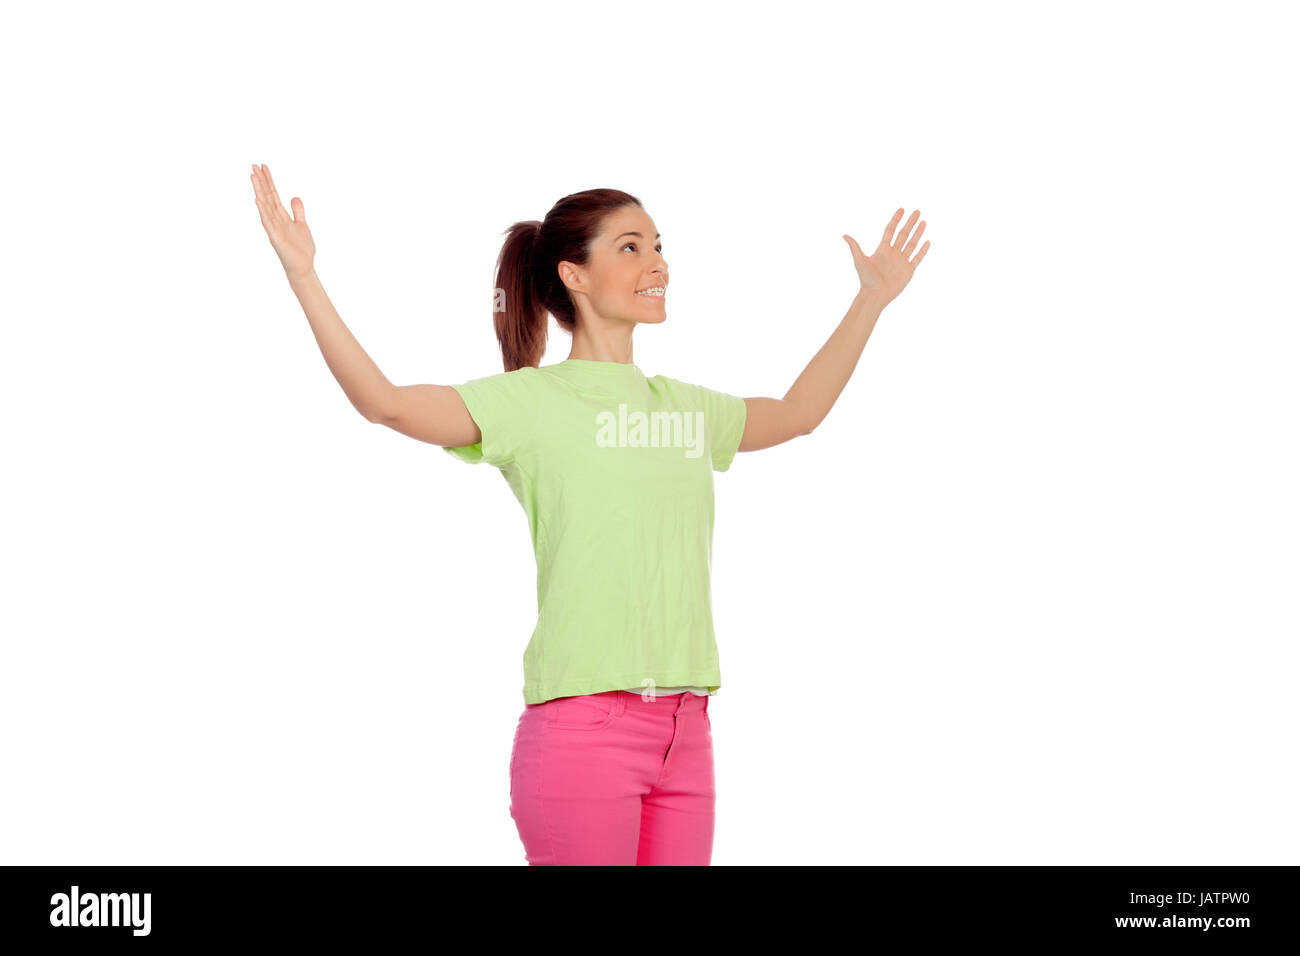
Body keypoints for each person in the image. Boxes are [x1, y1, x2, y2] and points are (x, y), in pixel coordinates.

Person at [250, 166, 931, 864]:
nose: (658, 262)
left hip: (685, 731)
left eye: (660, 245)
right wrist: (304, 274)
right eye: (631, 247)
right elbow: (386, 403)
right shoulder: (530, 404)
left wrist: (871, 302)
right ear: (574, 275)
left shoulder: (686, 409)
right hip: (583, 731)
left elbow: (797, 414)